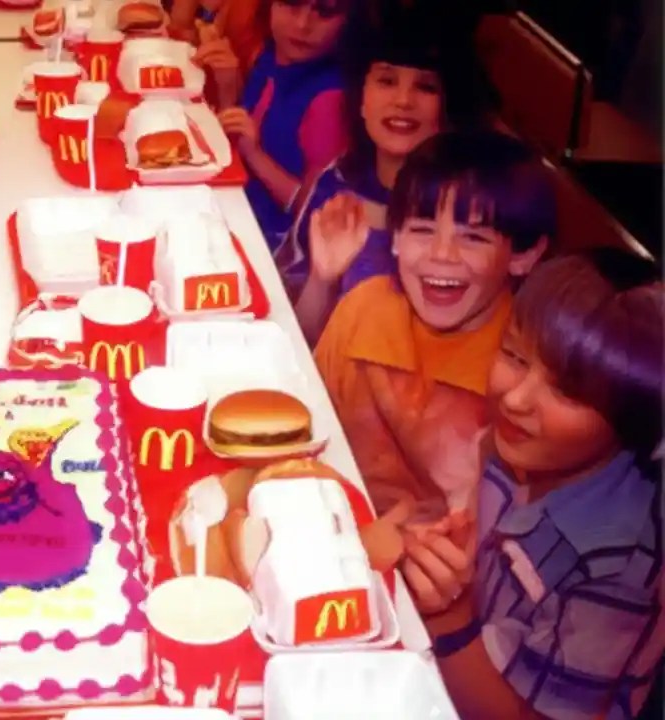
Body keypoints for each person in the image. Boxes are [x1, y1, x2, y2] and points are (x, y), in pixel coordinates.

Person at [401, 249, 664, 720]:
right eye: (514, 355)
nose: (516, 399)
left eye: (567, 391)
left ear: (628, 417)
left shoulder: (616, 568)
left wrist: (449, 619)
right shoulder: (519, 444)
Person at [313, 130, 554, 521]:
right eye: (422, 230)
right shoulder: (364, 307)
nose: (442, 255)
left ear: (523, 255)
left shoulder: (521, 384)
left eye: (473, 238)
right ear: (394, 238)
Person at [286, 3, 493, 342]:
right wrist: (323, 280)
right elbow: (299, 336)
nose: (403, 101)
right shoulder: (336, 182)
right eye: (386, 80)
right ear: (361, 99)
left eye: (426, 87)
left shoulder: (468, 217)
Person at [201, 0, 351, 246]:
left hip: (270, 246)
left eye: (325, 12)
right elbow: (243, 135)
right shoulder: (269, 55)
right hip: (233, 209)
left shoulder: (330, 99)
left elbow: (314, 213)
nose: (302, 25)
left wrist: (255, 155)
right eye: (291, 4)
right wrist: (228, 86)